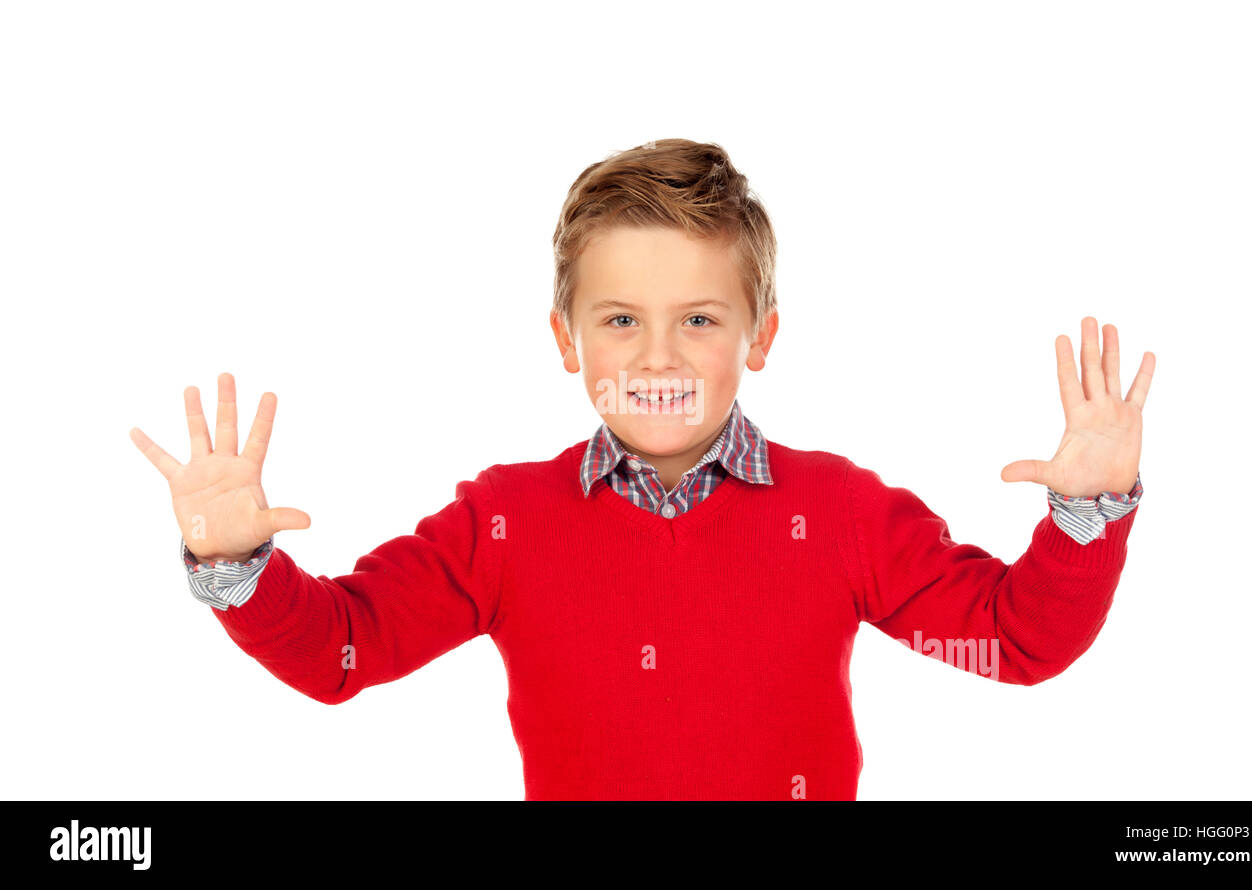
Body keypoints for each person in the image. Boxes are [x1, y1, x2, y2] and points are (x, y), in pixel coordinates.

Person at [129, 138, 1154, 800]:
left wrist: (1085, 514)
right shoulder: (503, 520)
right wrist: (241, 566)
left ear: (760, 336)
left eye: (698, 319)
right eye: (620, 320)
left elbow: (1016, 640)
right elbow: (342, 651)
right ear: (566, 339)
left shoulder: (839, 510)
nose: (657, 358)